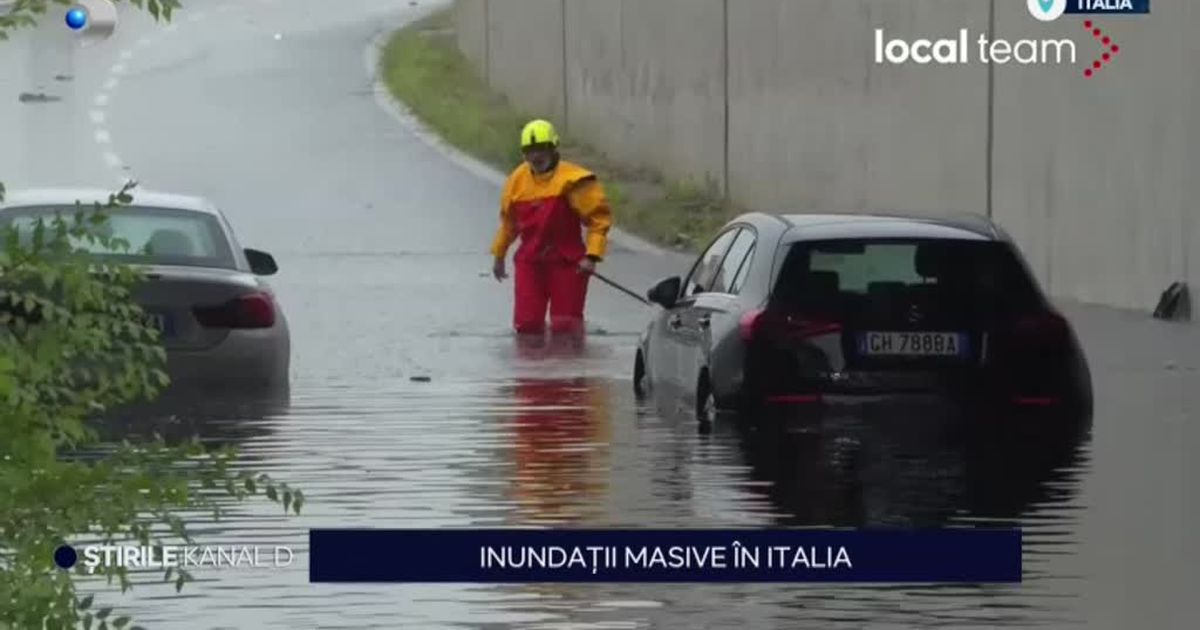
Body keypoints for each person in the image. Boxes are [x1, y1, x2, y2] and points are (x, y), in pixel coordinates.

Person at [490, 119, 613, 336]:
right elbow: (509, 223)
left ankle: (570, 367)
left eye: (540, 150)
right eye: (530, 151)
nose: (536, 156)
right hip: (530, 262)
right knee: (527, 326)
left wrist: (592, 257)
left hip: (568, 263)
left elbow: (598, 220)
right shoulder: (516, 182)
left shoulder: (574, 180)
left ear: (552, 148)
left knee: (565, 326)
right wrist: (499, 255)